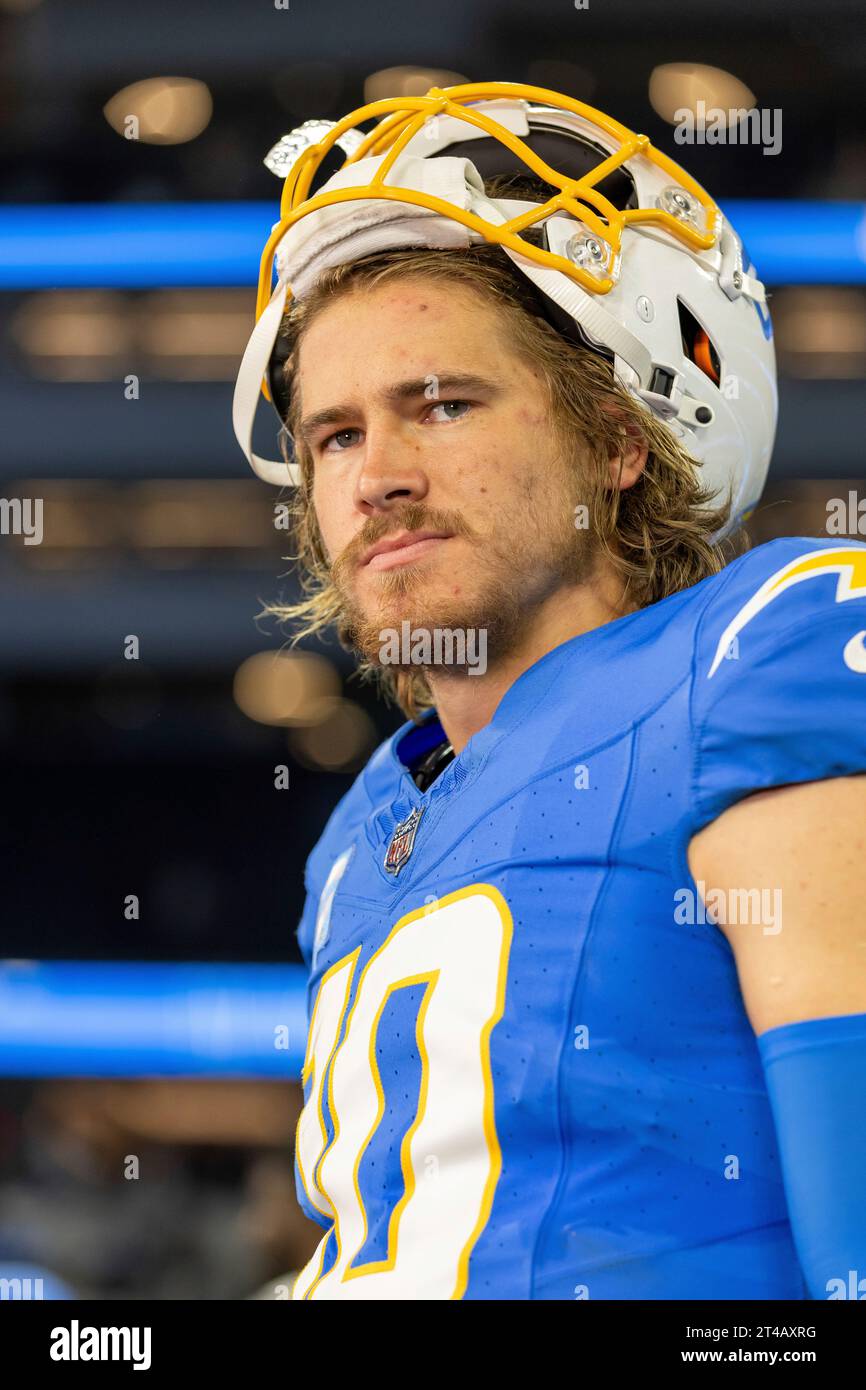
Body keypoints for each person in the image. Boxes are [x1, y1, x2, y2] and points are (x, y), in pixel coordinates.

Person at [233, 82, 866, 1300]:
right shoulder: (363, 831)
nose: (378, 478)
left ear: (618, 440)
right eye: (335, 436)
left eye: (443, 404)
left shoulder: (756, 656)